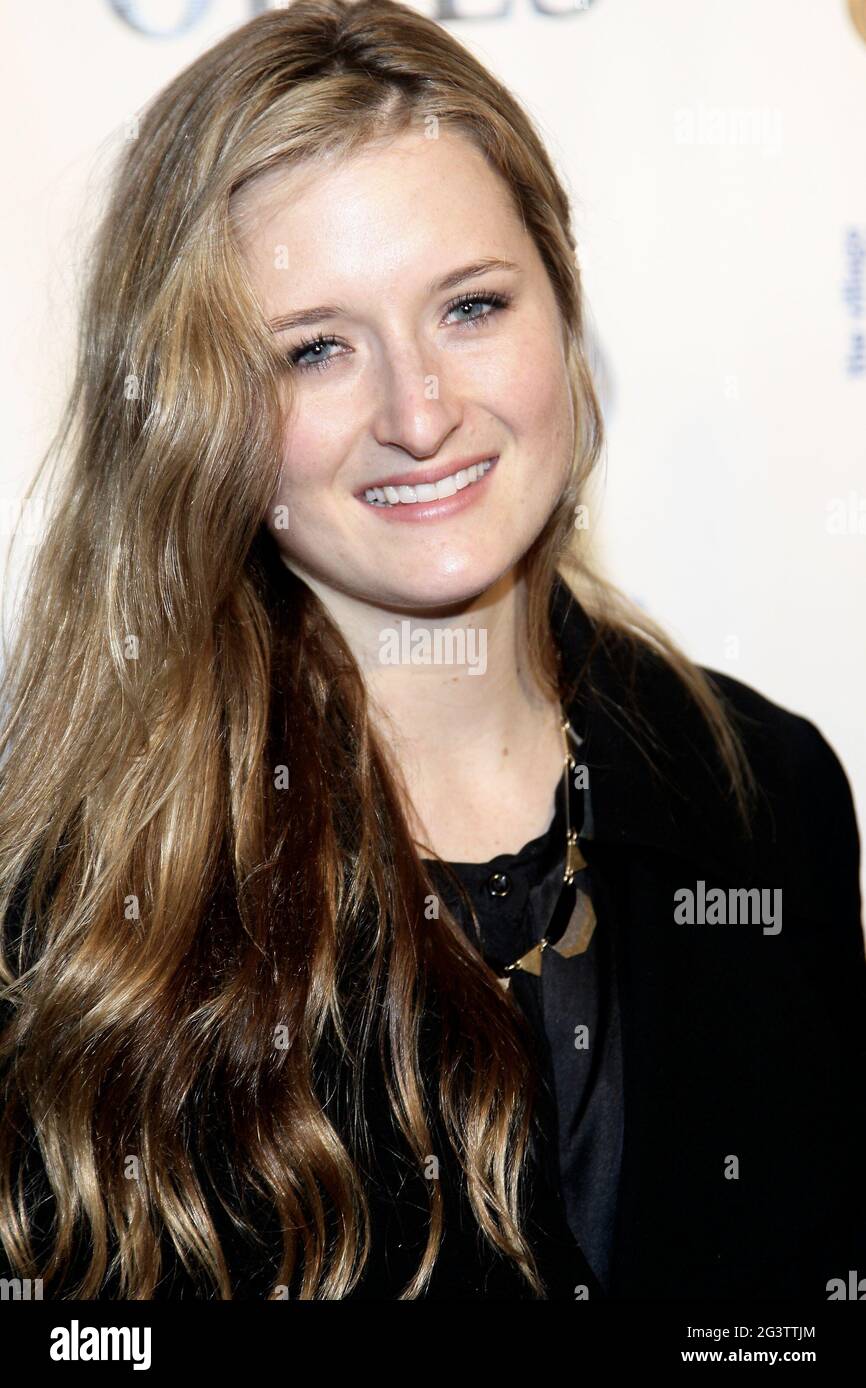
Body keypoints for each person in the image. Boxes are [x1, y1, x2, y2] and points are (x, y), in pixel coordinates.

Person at [0, 0, 863, 1302]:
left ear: (562, 309)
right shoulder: (74, 908)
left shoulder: (768, 792)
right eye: (317, 349)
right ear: (198, 407)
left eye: (468, 307)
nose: (419, 412)